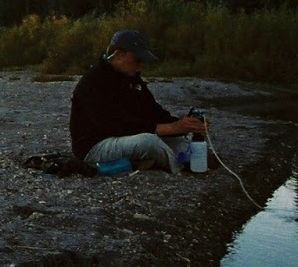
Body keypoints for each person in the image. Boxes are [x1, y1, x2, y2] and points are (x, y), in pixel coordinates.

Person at [69, 29, 206, 173]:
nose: (140, 64)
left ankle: (185, 159)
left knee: (182, 143)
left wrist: (186, 124)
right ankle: (182, 167)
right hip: (95, 146)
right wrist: (170, 128)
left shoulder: (131, 79)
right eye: (137, 59)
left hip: (126, 138)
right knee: (149, 142)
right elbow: (113, 124)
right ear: (120, 55)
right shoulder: (94, 81)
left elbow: (153, 111)